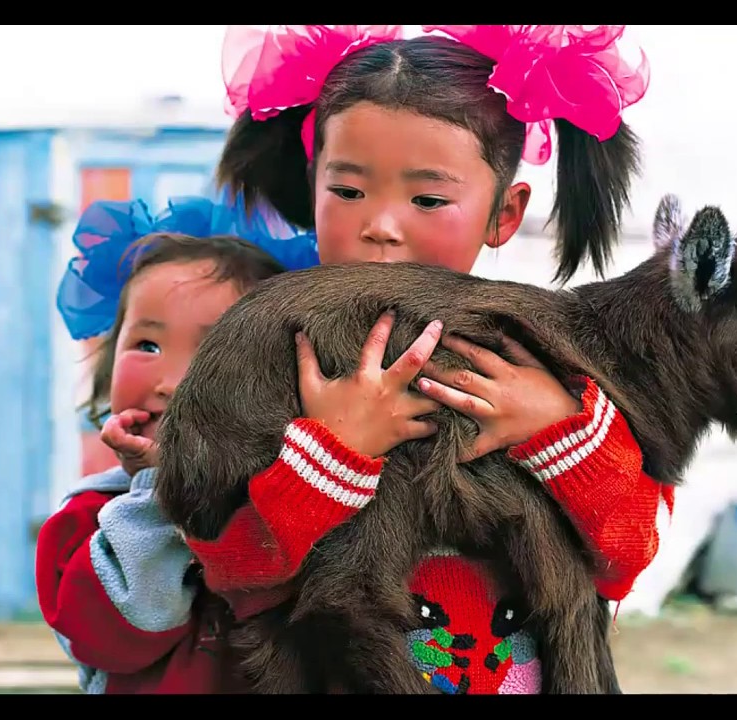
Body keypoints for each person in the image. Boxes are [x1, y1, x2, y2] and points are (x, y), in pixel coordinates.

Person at [181, 25, 675, 695]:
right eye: (349, 191)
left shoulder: (548, 361)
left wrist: (557, 429)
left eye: (429, 199)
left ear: (505, 212)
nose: (381, 224)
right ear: (312, 183)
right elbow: (228, 569)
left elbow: (628, 555)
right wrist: (330, 456)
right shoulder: (273, 363)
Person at [35, 196, 318, 693]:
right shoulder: (89, 517)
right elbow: (115, 638)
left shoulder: (297, 499)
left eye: (214, 350)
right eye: (146, 345)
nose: (173, 382)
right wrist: (164, 492)